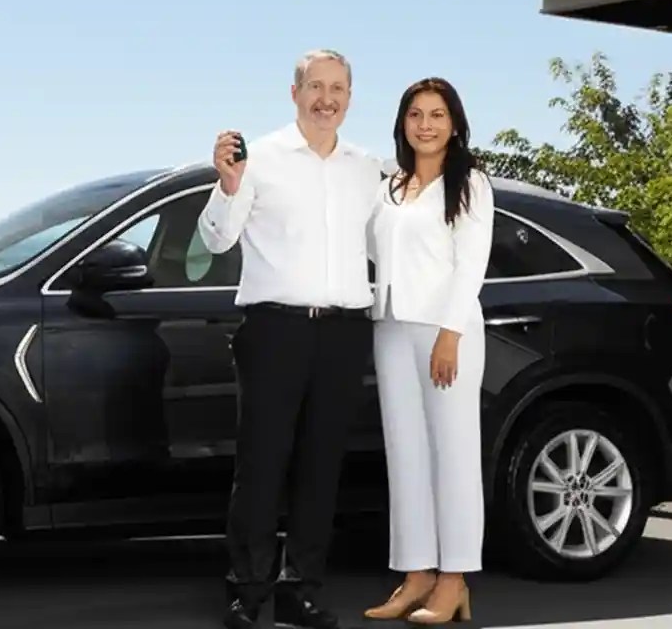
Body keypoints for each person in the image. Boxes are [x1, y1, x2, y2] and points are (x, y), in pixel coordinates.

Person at [198, 49, 384, 629]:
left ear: (350, 98)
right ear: (295, 92)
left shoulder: (366, 168)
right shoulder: (263, 158)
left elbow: (385, 248)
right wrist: (228, 186)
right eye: (315, 87)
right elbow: (216, 241)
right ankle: (248, 590)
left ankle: (300, 589)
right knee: (261, 465)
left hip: (344, 332)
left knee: (320, 466)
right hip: (275, 329)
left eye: (338, 89)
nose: (326, 98)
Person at [362, 77, 493, 625]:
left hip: (447, 331)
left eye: (437, 115)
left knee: (454, 455)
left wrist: (450, 332)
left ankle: (454, 579)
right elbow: (370, 248)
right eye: (415, 115)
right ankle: (415, 575)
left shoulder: (470, 184)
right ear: (403, 124)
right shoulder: (390, 186)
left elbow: (471, 263)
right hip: (390, 326)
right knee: (406, 455)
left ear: (455, 123)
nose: (426, 124)